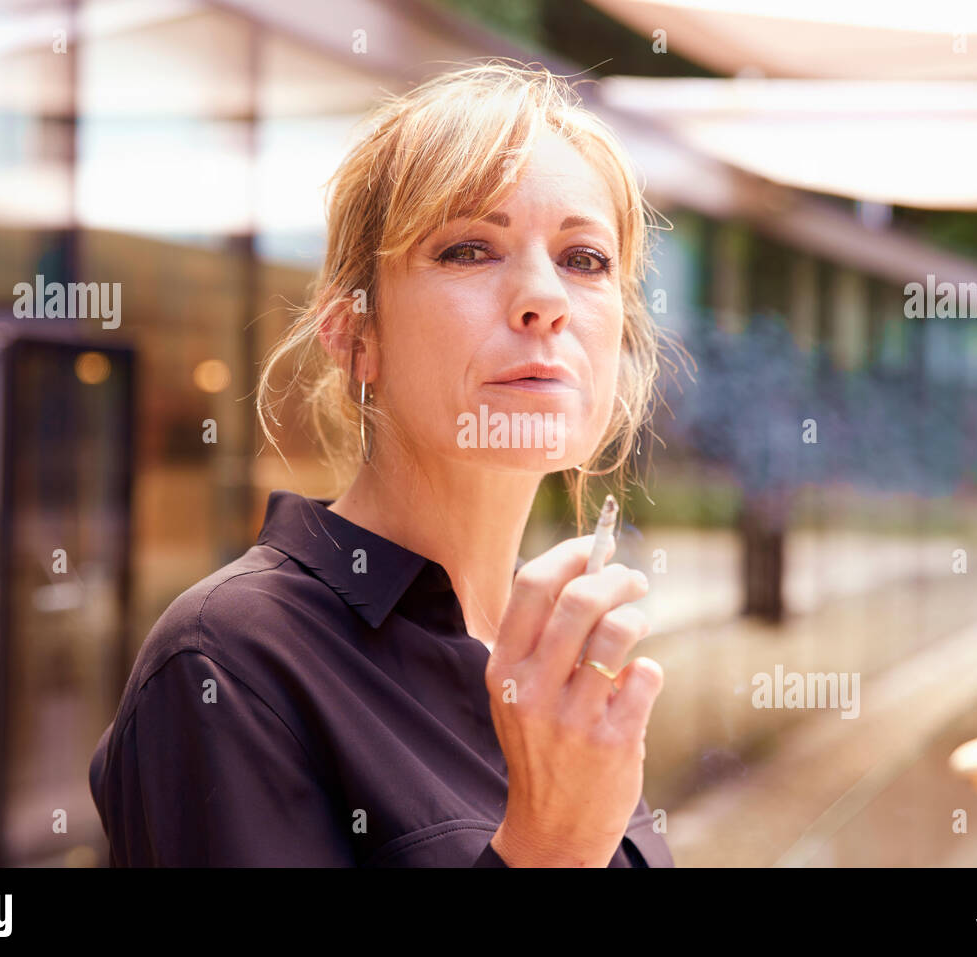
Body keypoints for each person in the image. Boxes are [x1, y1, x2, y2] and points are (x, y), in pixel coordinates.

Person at [88, 61, 683, 866]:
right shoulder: (231, 662)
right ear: (353, 334)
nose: (544, 299)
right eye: (469, 248)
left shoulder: (554, 656)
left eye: (585, 259)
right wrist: (554, 844)